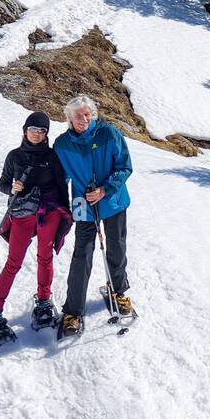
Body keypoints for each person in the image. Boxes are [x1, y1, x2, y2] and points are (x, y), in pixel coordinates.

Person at [0, 111, 73, 346]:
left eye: (42, 131)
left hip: (49, 212)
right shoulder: (14, 156)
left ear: (46, 134)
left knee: (45, 258)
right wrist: (12, 187)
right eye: (33, 129)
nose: (37, 134)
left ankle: (44, 301)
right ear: (25, 130)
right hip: (23, 214)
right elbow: (2, 184)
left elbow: (64, 181)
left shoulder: (53, 157)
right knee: (14, 262)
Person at [53, 94, 134, 339]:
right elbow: (58, 179)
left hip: (113, 198)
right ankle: (73, 311)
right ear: (69, 118)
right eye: (78, 116)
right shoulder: (62, 145)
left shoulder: (109, 134)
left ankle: (117, 291)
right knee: (82, 254)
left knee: (117, 247)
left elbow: (125, 166)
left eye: (87, 114)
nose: (84, 119)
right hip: (81, 202)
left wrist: (104, 190)